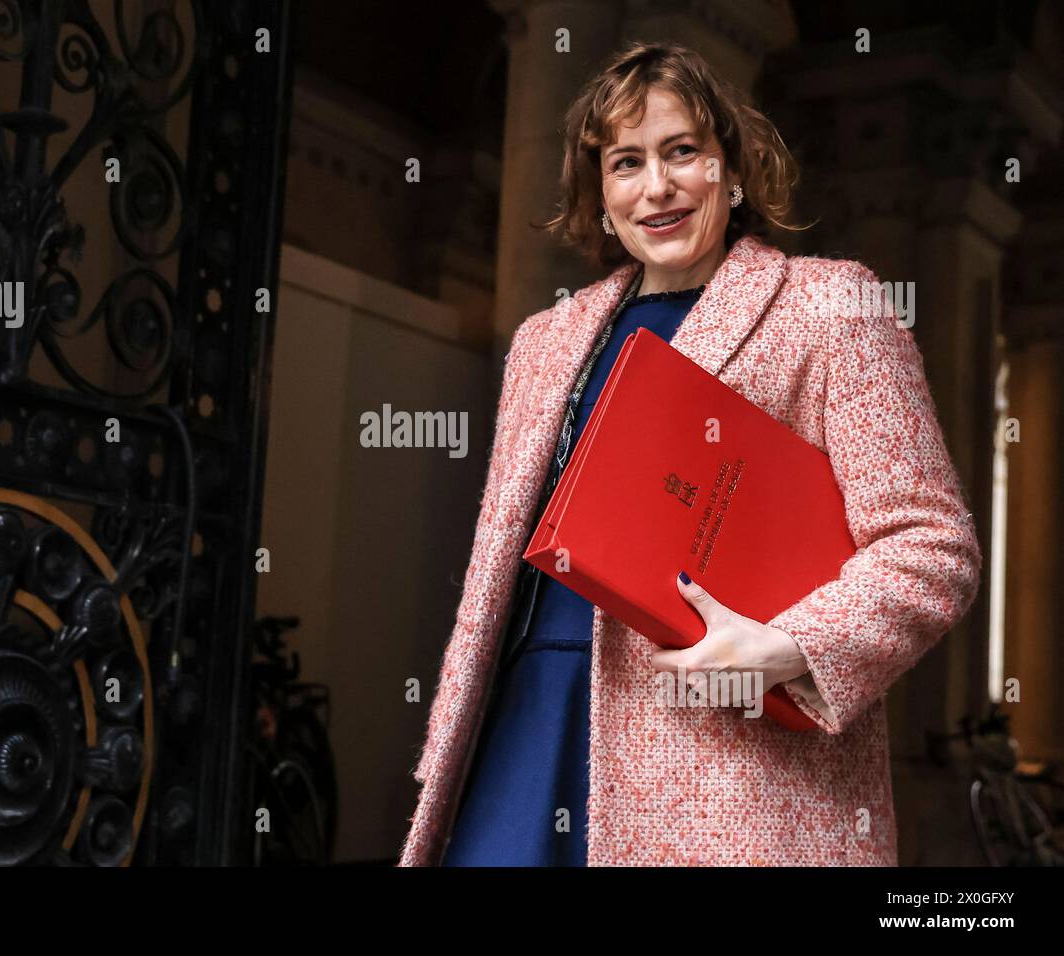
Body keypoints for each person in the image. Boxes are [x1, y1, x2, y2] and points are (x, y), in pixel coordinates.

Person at [400, 41, 982, 867]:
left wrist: (786, 649)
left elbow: (931, 547)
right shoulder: (545, 341)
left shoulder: (830, 306)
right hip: (529, 717)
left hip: (730, 758)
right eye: (626, 163)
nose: (658, 186)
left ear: (732, 170)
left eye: (683, 152)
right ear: (599, 192)